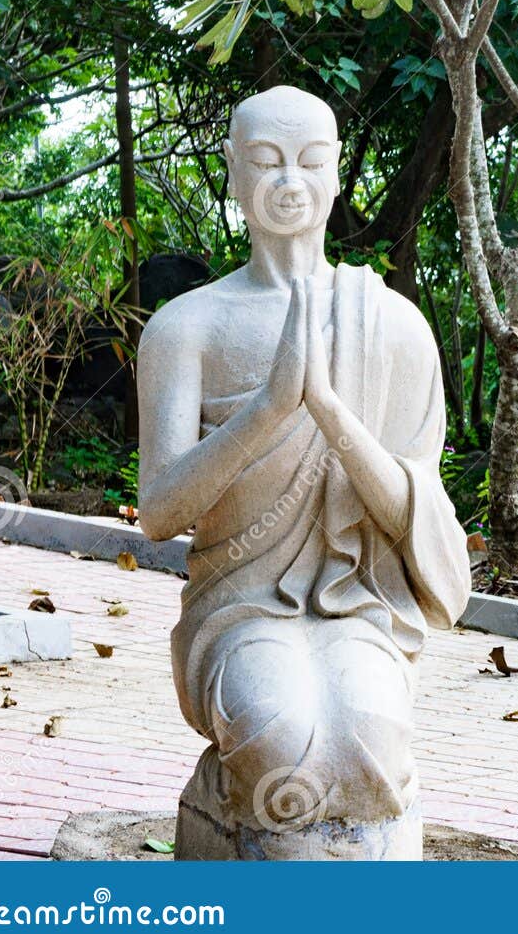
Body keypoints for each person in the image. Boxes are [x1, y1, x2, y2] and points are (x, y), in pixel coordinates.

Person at [137, 86, 467, 858]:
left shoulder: (391, 325)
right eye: (266, 160)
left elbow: (419, 510)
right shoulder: (187, 326)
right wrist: (270, 408)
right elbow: (158, 511)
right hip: (240, 608)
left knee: (370, 736)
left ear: (337, 171)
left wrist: (329, 410)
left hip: (358, 607)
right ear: (232, 173)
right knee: (279, 735)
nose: (290, 179)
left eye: (312, 161)